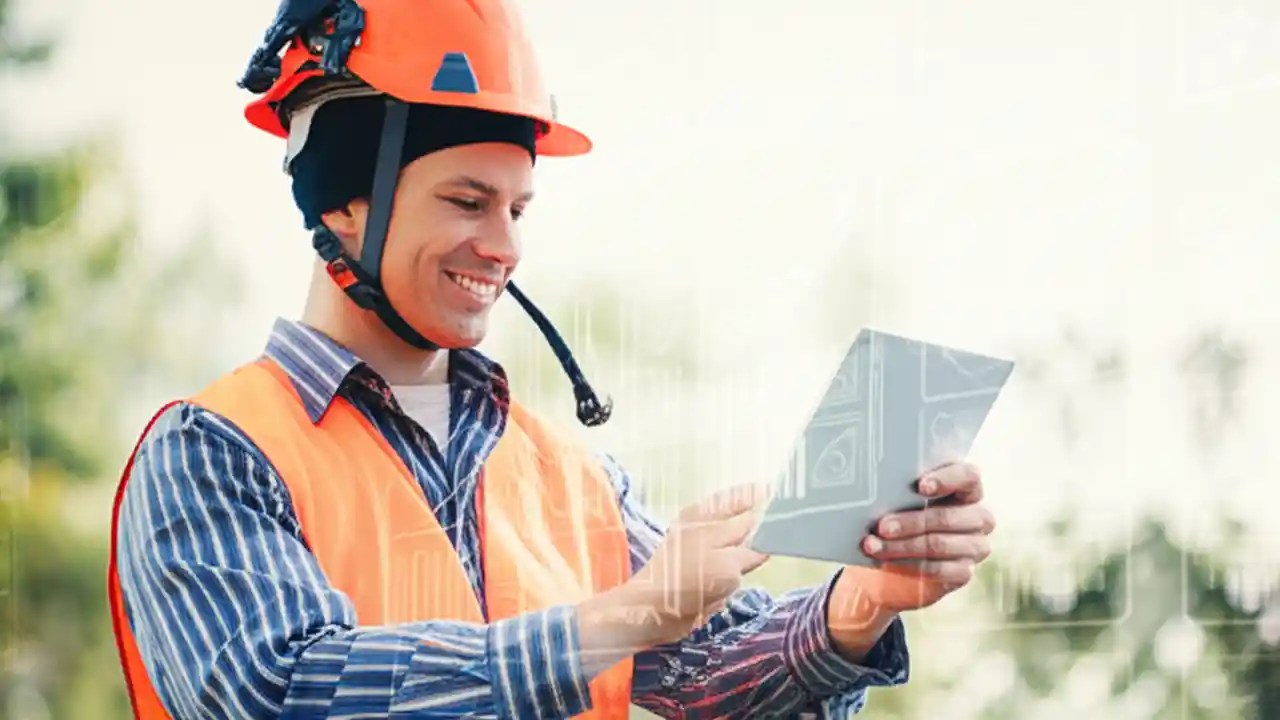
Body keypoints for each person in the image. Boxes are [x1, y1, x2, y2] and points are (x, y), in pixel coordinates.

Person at [106, 1, 998, 717]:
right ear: (344, 204)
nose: (503, 246)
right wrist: (626, 617)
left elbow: (706, 679)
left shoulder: (570, 482)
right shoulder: (213, 454)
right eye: (467, 201)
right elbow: (281, 691)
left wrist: (860, 605)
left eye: (518, 210)